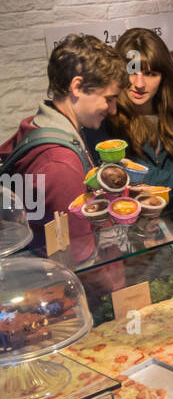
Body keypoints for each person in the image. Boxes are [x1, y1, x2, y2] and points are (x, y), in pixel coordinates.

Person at [1, 34, 127, 261]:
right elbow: (79, 257)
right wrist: (120, 282)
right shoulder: (60, 163)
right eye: (109, 98)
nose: (113, 109)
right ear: (77, 86)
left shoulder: (37, 126)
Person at [86, 28, 173, 205]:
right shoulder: (103, 125)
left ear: (164, 77)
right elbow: (122, 185)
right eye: (132, 71)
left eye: (151, 74)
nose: (139, 84)